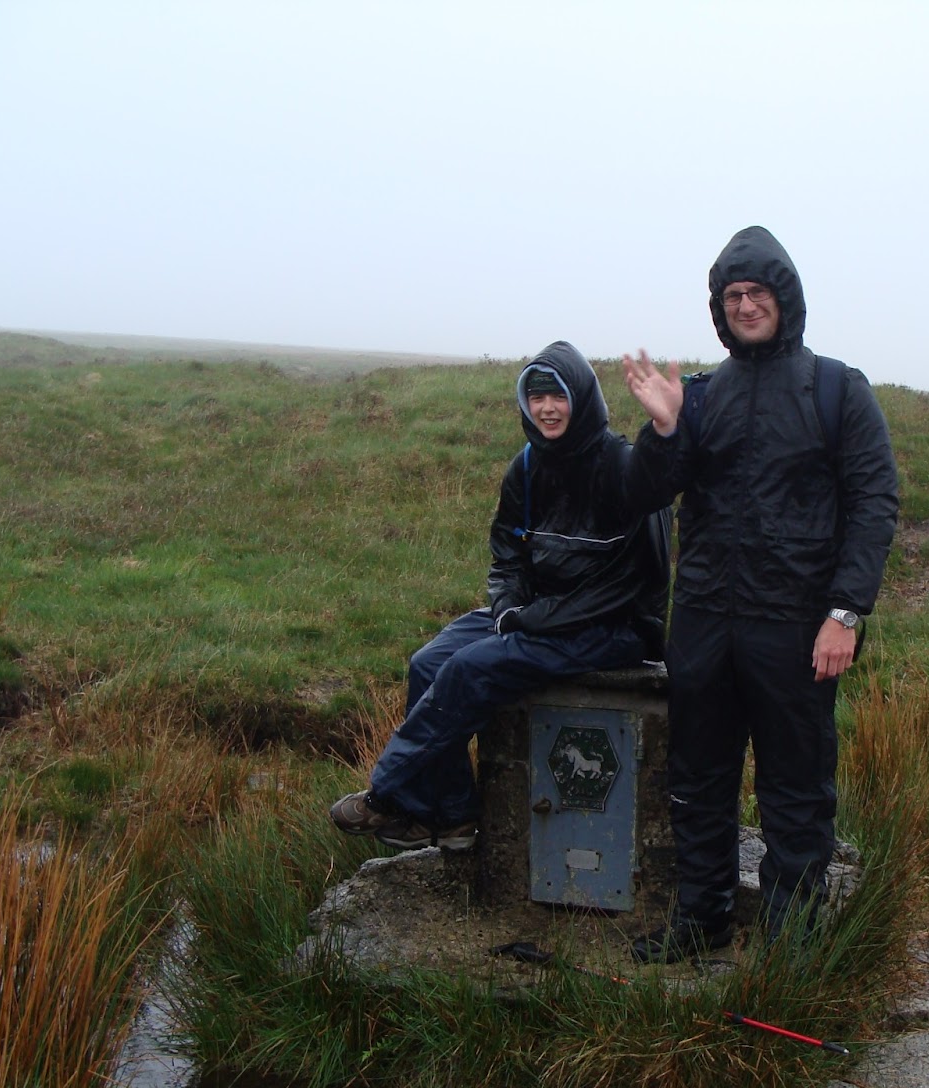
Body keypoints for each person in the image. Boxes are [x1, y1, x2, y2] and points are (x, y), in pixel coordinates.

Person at [620, 225, 900, 963]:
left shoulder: (837, 389)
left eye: (756, 293)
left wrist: (846, 613)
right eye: (731, 296)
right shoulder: (701, 397)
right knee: (697, 782)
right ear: (719, 308)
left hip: (796, 627)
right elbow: (645, 492)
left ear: (785, 298)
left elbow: (875, 503)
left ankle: (790, 943)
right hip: (706, 623)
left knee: (797, 790)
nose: (744, 306)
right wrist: (664, 427)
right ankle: (701, 918)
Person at [331, 341, 670, 851]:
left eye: (557, 396)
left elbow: (635, 584)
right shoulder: (527, 468)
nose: (547, 409)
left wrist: (535, 620)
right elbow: (506, 553)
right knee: (429, 663)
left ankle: (386, 792)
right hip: (534, 613)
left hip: (612, 629)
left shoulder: (623, 469)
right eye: (535, 397)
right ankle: (451, 816)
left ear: (582, 398)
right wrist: (509, 607)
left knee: (470, 669)